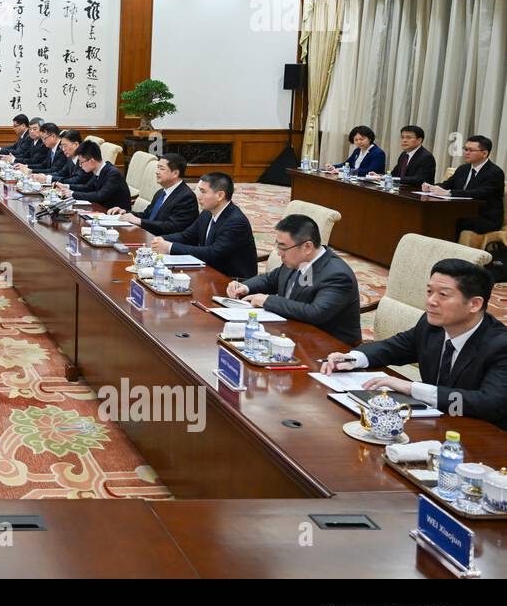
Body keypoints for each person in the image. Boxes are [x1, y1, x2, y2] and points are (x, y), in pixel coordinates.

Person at [322, 260, 507, 429]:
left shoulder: (500, 345)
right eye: (429, 292)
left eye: (443, 295)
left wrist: (412, 388)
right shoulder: (431, 326)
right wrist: (353, 358)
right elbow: (394, 347)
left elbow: (489, 404)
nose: (431, 301)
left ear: (474, 304)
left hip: (482, 437)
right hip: (437, 424)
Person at [226, 214, 362, 345]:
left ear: (307, 247)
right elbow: (271, 279)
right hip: (292, 333)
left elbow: (316, 313)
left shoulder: (337, 275)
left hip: (328, 346)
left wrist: (267, 300)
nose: (279, 253)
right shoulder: (299, 260)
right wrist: (244, 287)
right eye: (277, 245)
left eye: (283, 247)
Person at [151, 171, 257, 279]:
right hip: (209, 273)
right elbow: (187, 236)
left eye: (203, 192)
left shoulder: (236, 222)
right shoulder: (207, 212)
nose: (198, 196)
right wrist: (160, 239)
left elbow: (213, 253)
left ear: (220, 195)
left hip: (232, 282)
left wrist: (170, 247)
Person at [424, 135, 505, 237]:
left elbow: (479, 193)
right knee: (432, 215)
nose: (466, 153)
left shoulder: (495, 172)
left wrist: (450, 193)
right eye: (465, 149)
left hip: (485, 217)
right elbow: (447, 184)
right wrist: (431, 187)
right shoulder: (463, 168)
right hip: (461, 210)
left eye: (471, 150)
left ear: (484, 153)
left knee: (450, 220)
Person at [107, 153, 199, 236]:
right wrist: (125, 212)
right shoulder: (160, 192)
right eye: (157, 167)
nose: (157, 172)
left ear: (175, 173)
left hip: (165, 244)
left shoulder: (186, 197)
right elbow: (147, 215)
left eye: (161, 168)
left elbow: (172, 227)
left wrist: (140, 221)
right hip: (149, 236)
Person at [62, 140, 131, 210]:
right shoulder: (98, 170)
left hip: (116, 215)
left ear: (92, 161)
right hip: (101, 210)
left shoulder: (113, 173)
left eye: (81, 162)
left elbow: (99, 196)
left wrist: (72, 194)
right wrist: (66, 186)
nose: (80, 165)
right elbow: (87, 187)